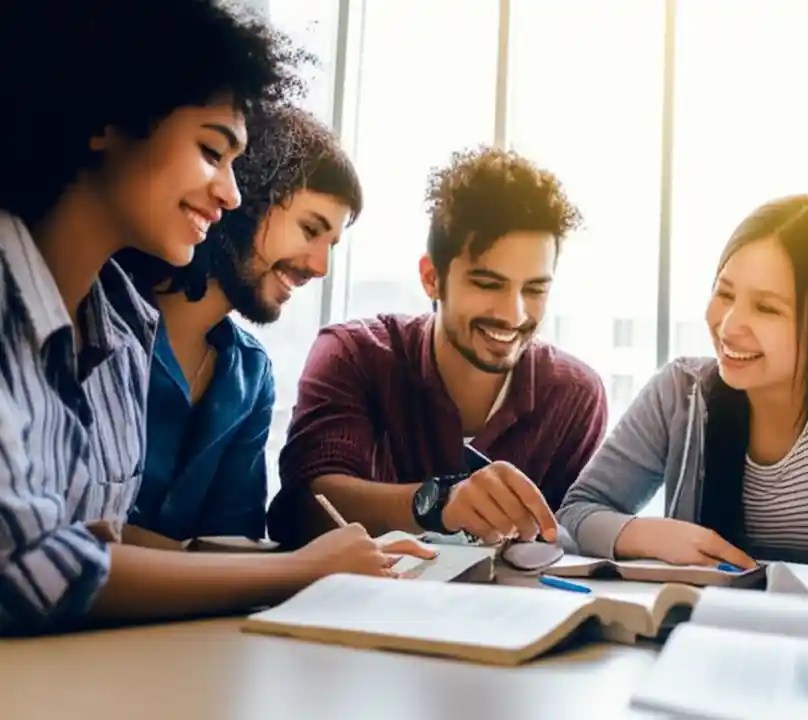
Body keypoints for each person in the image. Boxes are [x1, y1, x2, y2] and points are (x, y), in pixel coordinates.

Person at [0, 0, 428, 636]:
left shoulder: (118, 330)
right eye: (211, 151)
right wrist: (301, 570)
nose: (230, 192)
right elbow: (36, 567)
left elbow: (97, 544)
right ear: (108, 118)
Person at [558, 194, 808, 569]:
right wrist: (647, 535)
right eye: (725, 293)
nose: (728, 326)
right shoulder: (681, 393)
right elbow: (577, 512)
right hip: (713, 619)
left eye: (766, 308)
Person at [268, 146, 607, 548]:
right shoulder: (353, 355)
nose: (513, 314)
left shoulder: (575, 396)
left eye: (534, 289)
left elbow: (573, 538)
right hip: (366, 606)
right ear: (432, 279)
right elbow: (304, 509)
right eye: (487, 284)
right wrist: (437, 503)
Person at [114, 104, 362, 542]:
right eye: (310, 229)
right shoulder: (100, 324)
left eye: (332, 245)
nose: (320, 267)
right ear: (249, 197)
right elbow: (74, 542)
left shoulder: (250, 375)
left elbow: (231, 544)